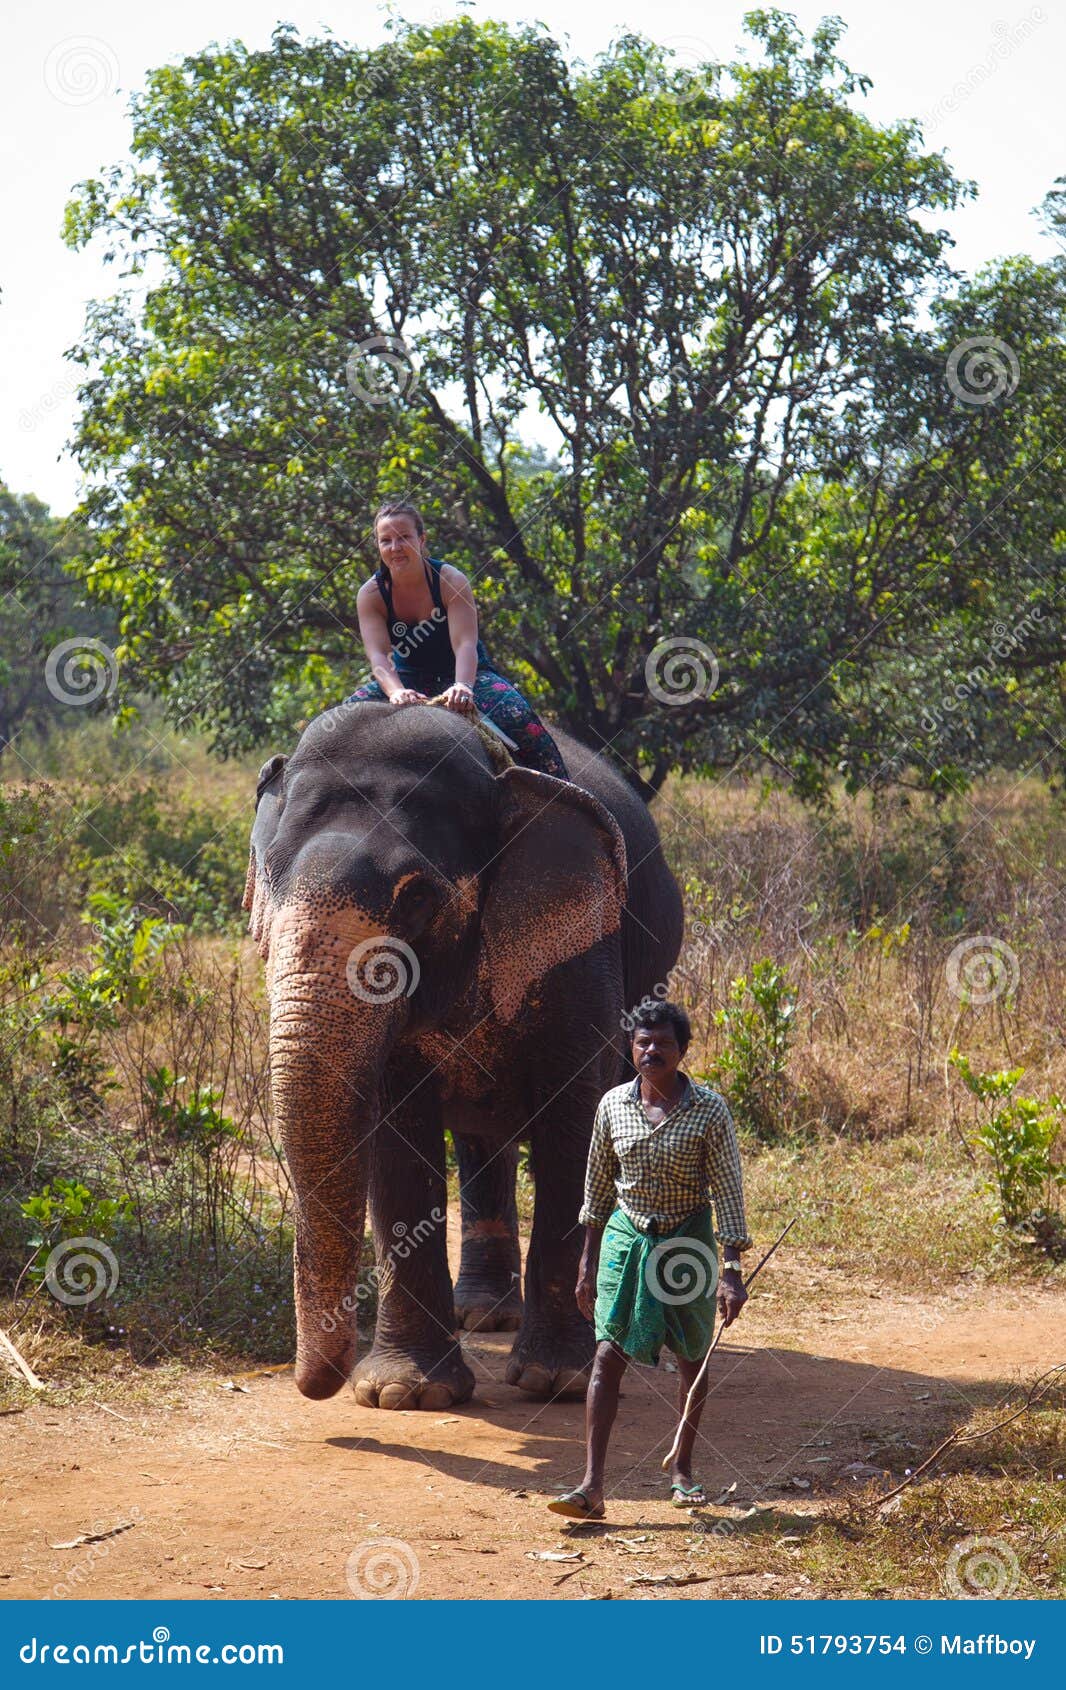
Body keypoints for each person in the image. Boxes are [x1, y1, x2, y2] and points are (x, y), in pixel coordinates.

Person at [547, 999, 751, 1521]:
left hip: (686, 1241)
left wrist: (730, 1271)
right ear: (630, 1047)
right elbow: (595, 1188)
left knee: (691, 1355)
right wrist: (587, 1262)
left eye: (662, 1042)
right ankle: (591, 1486)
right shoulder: (613, 1105)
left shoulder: (710, 1110)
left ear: (683, 1050)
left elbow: (727, 1190)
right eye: (642, 1041)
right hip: (625, 1237)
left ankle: (681, 1468)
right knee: (605, 1356)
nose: (651, 1050)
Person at [343, 499, 569, 779]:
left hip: (465, 675)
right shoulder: (371, 594)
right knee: (342, 722)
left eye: (404, 537)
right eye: (385, 540)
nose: (395, 548)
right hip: (405, 680)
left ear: (422, 540)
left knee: (518, 716)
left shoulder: (450, 580)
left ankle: (565, 795)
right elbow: (378, 655)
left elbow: (465, 644)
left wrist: (463, 685)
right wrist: (395, 692)